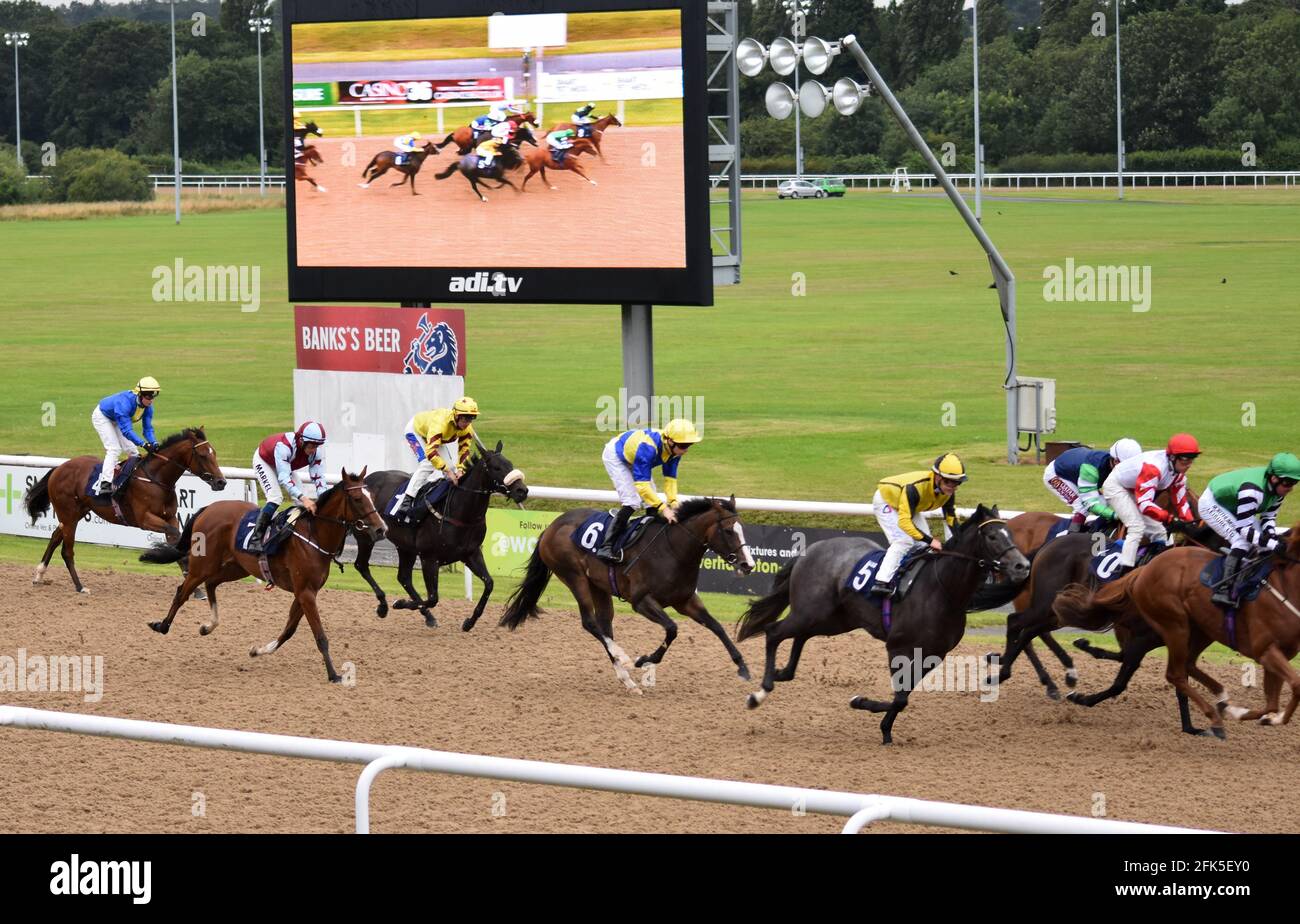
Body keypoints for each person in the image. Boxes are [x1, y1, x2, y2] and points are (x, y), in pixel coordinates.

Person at [1199, 452, 1300, 605]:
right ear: (1274, 478)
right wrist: (1273, 545)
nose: (1290, 488)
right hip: (1213, 504)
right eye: (1288, 483)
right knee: (1242, 541)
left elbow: (1268, 518)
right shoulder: (1252, 491)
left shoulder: (1278, 490)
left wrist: (1271, 537)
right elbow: (1245, 531)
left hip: (1237, 504)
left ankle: (1251, 577)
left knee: (1263, 542)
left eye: (1294, 483)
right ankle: (1223, 589)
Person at [596, 418, 701, 562]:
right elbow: (642, 486)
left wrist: (674, 503)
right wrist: (664, 509)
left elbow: (670, 479)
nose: (686, 450)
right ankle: (605, 547)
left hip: (635, 457)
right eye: (684, 445)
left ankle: (648, 539)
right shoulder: (648, 448)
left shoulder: (675, 451)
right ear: (669, 441)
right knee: (632, 501)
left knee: (651, 502)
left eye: (689, 445)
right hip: (616, 456)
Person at [1101, 433, 1199, 576]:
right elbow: (1145, 505)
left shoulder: (1179, 475)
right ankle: (1123, 571)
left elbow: (1181, 503)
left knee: (1160, 531)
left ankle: (1155, 562)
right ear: (1172, 457)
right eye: (1185, 460)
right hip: (1116, 486)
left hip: (1132, 488)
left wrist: (1191, 524)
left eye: (1191, 460)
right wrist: (1170, 519)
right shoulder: (1154, 468)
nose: (1188, 465)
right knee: (1137, 526)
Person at [870, 453, 966, 597]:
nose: (952, 487)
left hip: (909, 506)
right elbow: (904, 522)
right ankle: (881, 581)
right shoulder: (914, 488)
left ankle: (914, 577)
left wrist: (959, 542)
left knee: (924, 547)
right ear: (937, 477)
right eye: (948, 482)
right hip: (887, 500)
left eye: (957, 482)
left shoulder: (948, 492)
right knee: (904, 541)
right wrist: (931, 540)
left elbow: (950, 518)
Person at [394, 397, 480, 521]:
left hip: (432, 435)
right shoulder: (441, 423)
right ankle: (407, 500)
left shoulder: (467, 429)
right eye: (466, 418)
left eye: (472, 418)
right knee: (427, 464)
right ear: (456, 415)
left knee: (451, 467)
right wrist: (448, 472)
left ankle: (448, 497)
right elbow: (430, 451)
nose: (468, 422)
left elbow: (464, 451)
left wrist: (460, 470)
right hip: (416, 431)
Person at [248, 422, 328, 555]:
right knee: (275, 497)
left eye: (317, 446)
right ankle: (255, 539)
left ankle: (295, 536)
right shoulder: (284, 446)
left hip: (285, 464)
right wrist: (304, 499)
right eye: (312, 445)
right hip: (265, 461)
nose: (314, 449)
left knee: (300, 503)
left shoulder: (316, 453)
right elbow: (284, 478)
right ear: (302, 441)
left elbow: (319, 479)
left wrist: (324, 500)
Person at [1043, 439, 1142, 532]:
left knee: (1104, 502)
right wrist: (1115, 515)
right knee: (1082, 507)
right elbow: (1091, 504)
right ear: (1116, 461)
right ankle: (1071, 537)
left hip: (1077, 471)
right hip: (1057, 475)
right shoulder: (1091, 468)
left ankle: (1095, 530)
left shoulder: (1117, 464)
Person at [92, 377, 161, 495]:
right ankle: (105, 483)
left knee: (133, 452)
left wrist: (153, 443)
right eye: (149, 396)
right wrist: (144, 444)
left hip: (117, 419)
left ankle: (128, 479)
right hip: (103, 417)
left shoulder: (148, 408)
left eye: (153, 396)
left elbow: (148, 429)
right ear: (140, 394)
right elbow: (127, 431)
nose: (151, 400)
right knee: (114, 449)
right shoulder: (124, 403)